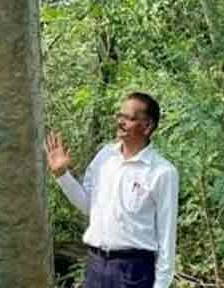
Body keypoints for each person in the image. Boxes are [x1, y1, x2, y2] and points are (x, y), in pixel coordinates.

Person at [45, 92, 179, 288]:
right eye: (120, 116)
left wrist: (161, 284)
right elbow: (89, 207)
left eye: (129, 118)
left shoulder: (162, 172)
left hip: (134, 271)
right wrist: (62, 174)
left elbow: (166, 238)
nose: (121, 122)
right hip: (95, 266)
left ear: (147, 126)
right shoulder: (105, 157)